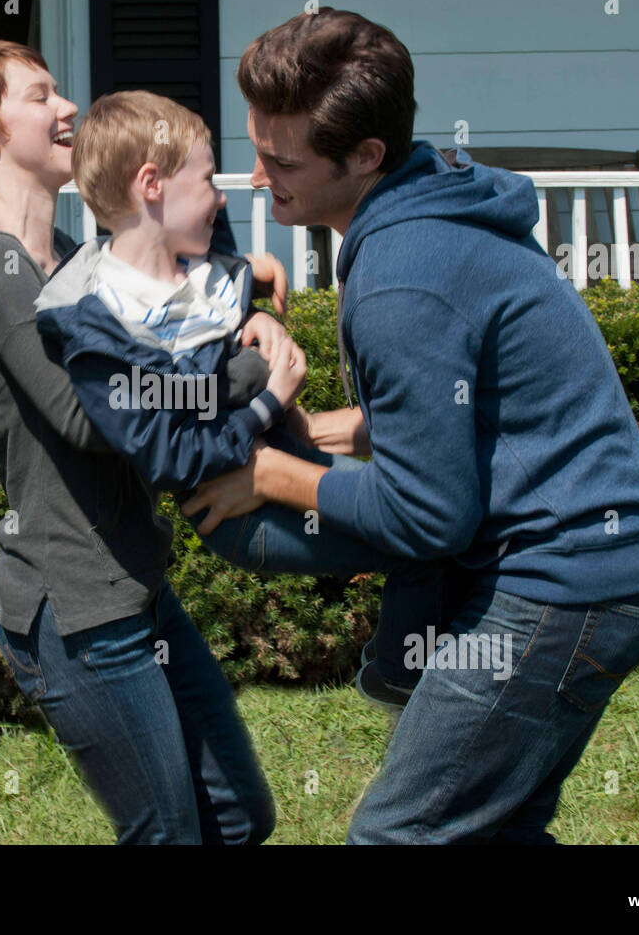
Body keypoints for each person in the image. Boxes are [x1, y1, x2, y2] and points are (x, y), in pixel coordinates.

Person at [182, 9, 639, 844]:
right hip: (598, 560)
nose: (259, 177)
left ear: (367, 156)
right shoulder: (433, 206)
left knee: (402, 835)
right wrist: (316, 431)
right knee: (491, 831)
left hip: (565, 581)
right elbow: (444, 420)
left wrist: (271, 476)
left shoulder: (402, 278)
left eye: (283, 161)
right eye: (255, 147)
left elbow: (428, 514)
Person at [0, 39, 280, 844]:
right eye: (40, 96)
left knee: (239, 816)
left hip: (134, 585)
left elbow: (165, 360)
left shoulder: (77, 264)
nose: (67, 107)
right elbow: (94, 418)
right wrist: (251, 381)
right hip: (71, 608)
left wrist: (238, 318)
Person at [32, 88, 460, 711]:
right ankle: (401, 677)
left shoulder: (190, 266)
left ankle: (411, 673)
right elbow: (172, 457)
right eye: (208, 179)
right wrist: (269, 395)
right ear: (151, 184)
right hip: (244, 511)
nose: (224, 194)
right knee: (428, 536)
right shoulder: (102, 327)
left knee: (435, 521)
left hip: (285, 466)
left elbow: (211, 297)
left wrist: (251, 310)